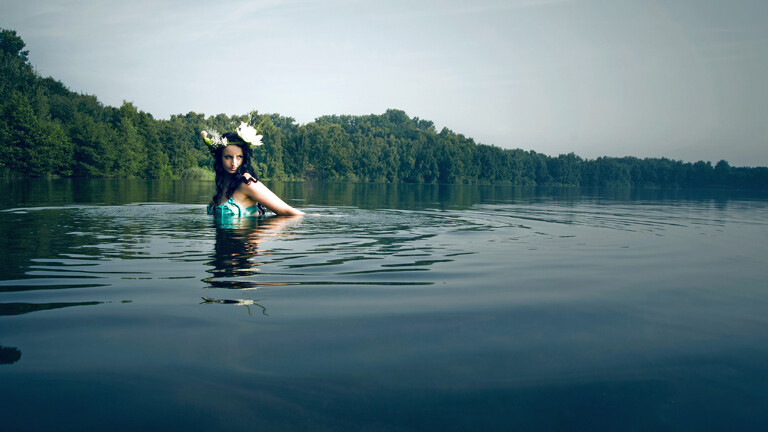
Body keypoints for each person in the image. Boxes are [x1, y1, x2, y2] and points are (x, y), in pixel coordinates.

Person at [202, 122, 303, 217]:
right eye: (228, 157)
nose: (234, 163)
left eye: (239, 157)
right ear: (220, 158)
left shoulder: (246, 182)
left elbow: (287, 211)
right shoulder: (223, 183)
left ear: (244, 158)